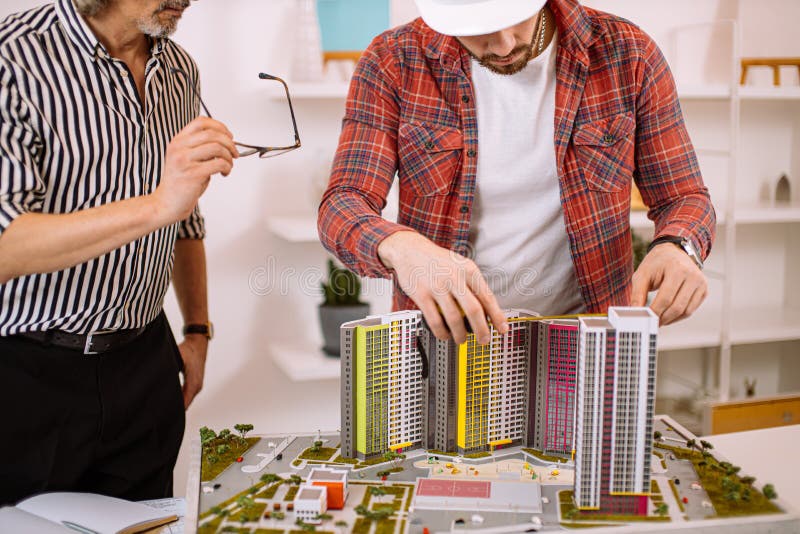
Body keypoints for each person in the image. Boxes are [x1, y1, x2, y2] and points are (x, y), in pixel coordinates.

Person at [318, 0, 715, 346]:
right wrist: (403, 249)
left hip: (589, 343)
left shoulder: (629, 55)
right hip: (441, 345)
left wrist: (680, 247)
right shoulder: (392, 61)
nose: (504, 45)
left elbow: (685, 197)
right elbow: (341, 205)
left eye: (517, 17)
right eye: (479, 31)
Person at [0, 0, 237, 504]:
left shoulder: (178, 69)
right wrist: (157, 204)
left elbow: (185, 215)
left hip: (146, 369)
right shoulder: (13, 58)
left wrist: (197, 329)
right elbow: (6, 245)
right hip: (26, 380)